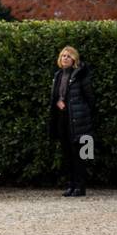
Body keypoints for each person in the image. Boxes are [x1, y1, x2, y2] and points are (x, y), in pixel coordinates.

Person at [49, 46, 94, 197]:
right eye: (63, 56)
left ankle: (80, 187)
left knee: (78, 154)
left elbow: (89, 97)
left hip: (77, 118)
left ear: (74, 59)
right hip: (62, 118)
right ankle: (70, 185)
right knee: (66, 154)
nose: (65, 58)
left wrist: (82, 111)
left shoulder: (80, 75)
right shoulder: (58, 75)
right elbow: (56, 97)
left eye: (68, 56)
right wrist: (58, 102)